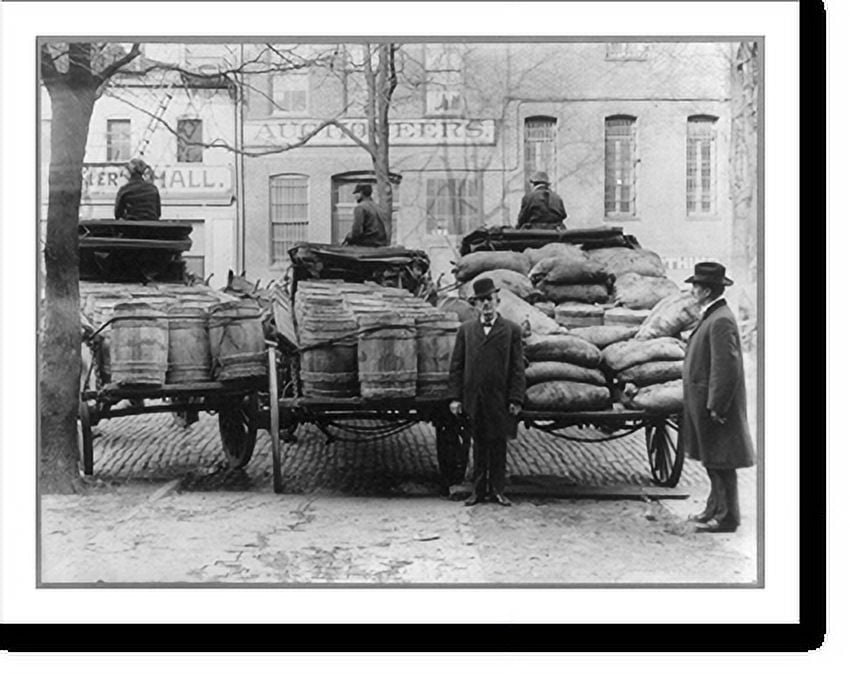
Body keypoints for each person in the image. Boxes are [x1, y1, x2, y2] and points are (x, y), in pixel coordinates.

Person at [678, 261, 755, 533]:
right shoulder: (712, 315)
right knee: (713, 460)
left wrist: (716, 405)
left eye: (696, 286)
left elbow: (727, 367)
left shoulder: (720, 319)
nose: (693, 290)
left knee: (722, 462)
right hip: (706, 401)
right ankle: (713, 508)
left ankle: (727, 517)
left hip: (716, 404)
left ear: (708, 291)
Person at [448, 277, 526, 507]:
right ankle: (478, 491)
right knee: (479, 445)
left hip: (499, 399)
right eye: (481, 301)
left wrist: (515, 397)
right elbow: (457, 365)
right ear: (475, 305)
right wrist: (455, 397)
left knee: (498, 446)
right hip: (475, 398)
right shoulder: (466, 330)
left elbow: (517, 367)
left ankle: (499, 491)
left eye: (489, 300)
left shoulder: (511, 330)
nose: (486, 305)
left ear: (497, 301)